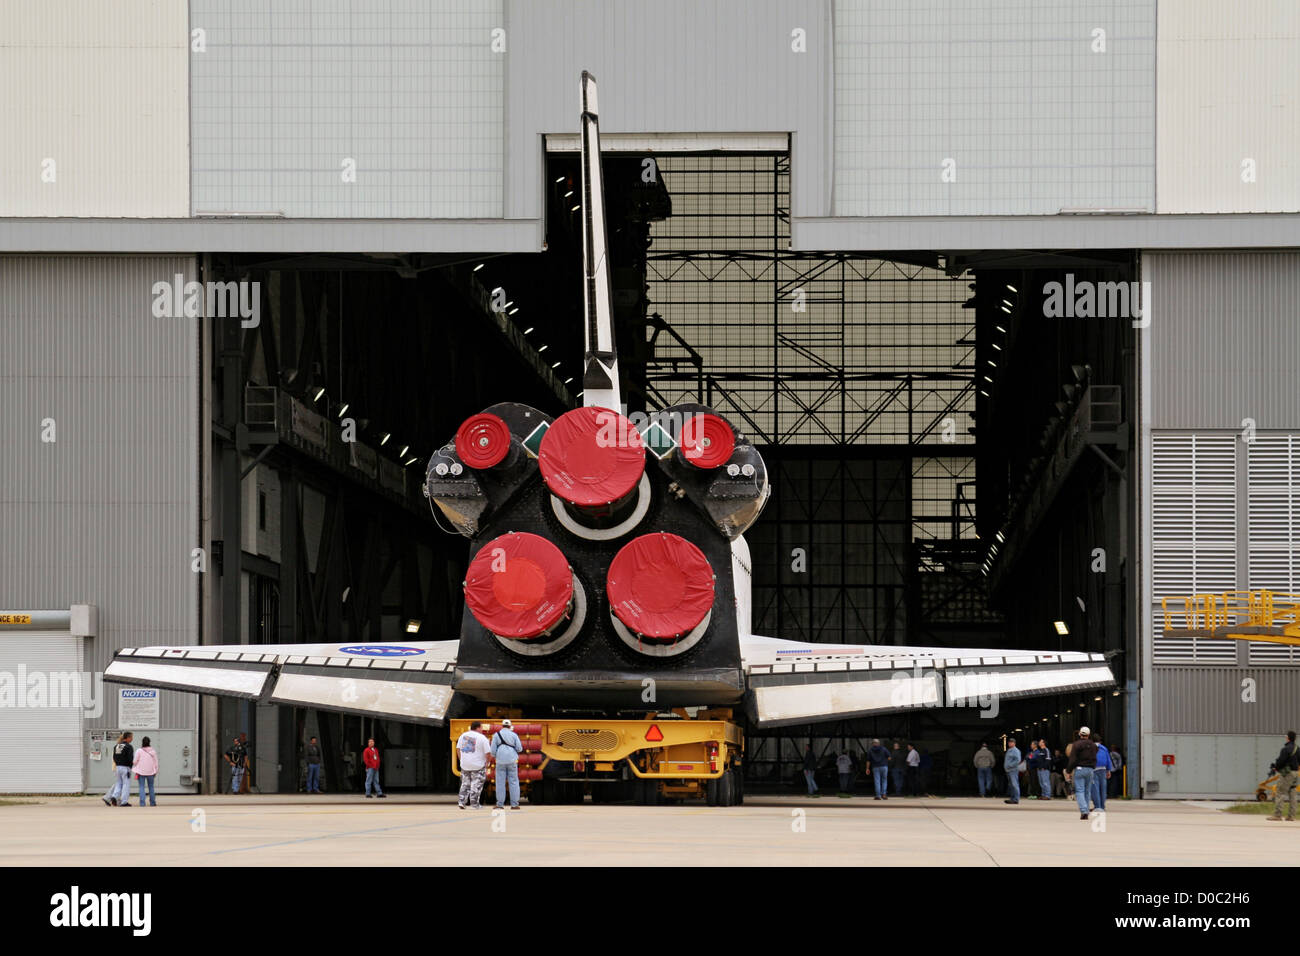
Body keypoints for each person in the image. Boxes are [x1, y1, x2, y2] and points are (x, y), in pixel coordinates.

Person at [456, 721, 491, 809]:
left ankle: (461, 802)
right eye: (481, 727)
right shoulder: (482, 738)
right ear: (478, 728)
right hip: (478, 765)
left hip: (465, 764)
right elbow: (488, 753)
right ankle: (474, 804)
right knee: (476, 784)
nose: (482, 729)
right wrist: (487, 762)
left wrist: (461, 759)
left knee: (465, 784)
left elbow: (458, 749)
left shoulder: (463, 736)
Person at [1067, 726, 1099, 820]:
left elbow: (1073, 759)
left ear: (1080, 734)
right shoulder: (1093, 745)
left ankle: (1084, 810)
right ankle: (1086, 809)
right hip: (1090, 770)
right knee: (1087, 791)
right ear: (1088, 735)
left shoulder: (1076, 745)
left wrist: (1069, 770)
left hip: (1080, 769)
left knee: (1080, 791)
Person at [1267, 730, 1299, 822]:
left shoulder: (1285, 749)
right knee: (1292, 793)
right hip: (1295, 773)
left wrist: (1275, 767)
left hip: (1287, 774)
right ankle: (1291, 816)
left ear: (1288, 738)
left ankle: (1277, 815)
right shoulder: (1298, 748)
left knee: (1280, 792)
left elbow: (1281, 761)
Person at [491, 719, 524, 810]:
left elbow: (493, 750)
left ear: (502, 726)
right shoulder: (514, 735)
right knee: (513, 782)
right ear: (510, 726)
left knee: (500, 782)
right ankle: (514, 804)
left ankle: (500, 804)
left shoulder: (496, 735)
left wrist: (496, 756)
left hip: (500, 761)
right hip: (512, 761)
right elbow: (519, 748)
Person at [102, 732, 134, 807]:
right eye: (131, 737)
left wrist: (118, 763)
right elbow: (130, 758)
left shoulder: (116, 746)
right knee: (126, 784)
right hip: (125, 767)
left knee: (119, 783)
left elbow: (114, 757)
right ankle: (124, 801)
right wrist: (130, 766)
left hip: (118, 767)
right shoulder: (128, 746)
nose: (132, 739)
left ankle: (114, 796)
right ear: (128, 738)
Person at [132, 736, 159, 807]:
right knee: (151, 787)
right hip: (151, 772)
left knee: (141, 787)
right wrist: (155, 771)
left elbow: (134, 762)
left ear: (142, 742)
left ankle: (142, 803)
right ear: (149, 742)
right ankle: (152, 803)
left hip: (141, 772)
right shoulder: (153, 751)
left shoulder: (139, 751)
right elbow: (156, 762)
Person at [1092, 733, 1110, 811]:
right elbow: (1108, 760)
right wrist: (1108, 770)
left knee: (1095, 788)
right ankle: (1102, 806)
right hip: (1103, 769)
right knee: (1103, 788)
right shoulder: (1104, 748)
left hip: (1094, 769)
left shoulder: (1091, 747)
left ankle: (1097, 806)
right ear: (1100, 741)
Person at [1003, 737, 1021, 804]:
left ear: (1014, 743)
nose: (1010, 743)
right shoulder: (1009, 750)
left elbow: (1018, 760)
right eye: (1009, 742)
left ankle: (1016, 799)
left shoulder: (1015, 750)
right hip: (1008, 770)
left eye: (1011, 742)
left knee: (1014, 784)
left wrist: (1010, 765)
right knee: (1011, 785)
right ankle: (1012, 798)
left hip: (1013, 770)